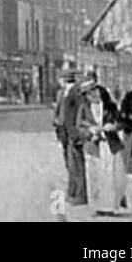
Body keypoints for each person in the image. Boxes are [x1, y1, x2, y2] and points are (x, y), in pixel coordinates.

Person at [77, 72, 126, 216]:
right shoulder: (84, 108)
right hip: (94, 146)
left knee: (111, 175)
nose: (91, 96)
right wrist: (90, 131)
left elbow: (121, 122)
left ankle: (111, 206)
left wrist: (114, 127)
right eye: (87, 94)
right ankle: (97, 206)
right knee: (95, 176)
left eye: (93, 92)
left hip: (110, 145)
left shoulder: (110, 106)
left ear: (98, 91)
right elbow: (79, 126)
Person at [54, 64, 87, 208]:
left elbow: (79, 114)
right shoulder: (63, 92)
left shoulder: (76, 92)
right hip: (64, 133)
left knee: (77, 165)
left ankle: (79, 195)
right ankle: (72, 192)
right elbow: (60, 111)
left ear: (64, 79)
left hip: (73, 134)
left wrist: (77, 133)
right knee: (70, 164)